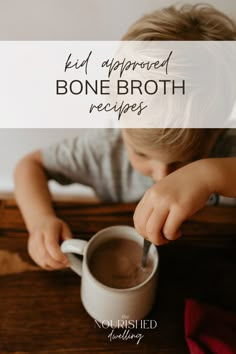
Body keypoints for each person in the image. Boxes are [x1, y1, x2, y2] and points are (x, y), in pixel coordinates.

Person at [14, 4, 236, 270]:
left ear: (219, 127)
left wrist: (209, 174)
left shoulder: (227, 147)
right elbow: (30, 166)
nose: (161, 176)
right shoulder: (106, 148)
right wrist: (40, 220)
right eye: (141, 154)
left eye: (185, 160)